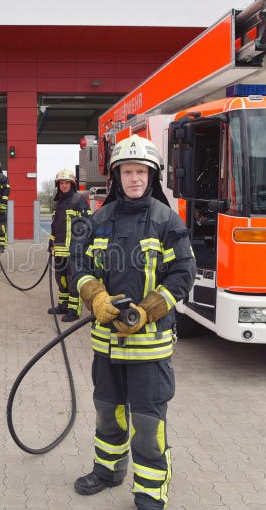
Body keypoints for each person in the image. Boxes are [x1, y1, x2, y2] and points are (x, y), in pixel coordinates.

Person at [70, 134, 196, 510]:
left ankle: (151, 490)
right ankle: (108, 471)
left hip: (149, 348)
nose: (134, 179)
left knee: (147, 423)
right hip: (105, 346)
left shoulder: (166, 221)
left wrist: (147, 309)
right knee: (108, 412)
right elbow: (78, 264)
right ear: (116, 176)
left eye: (141, 172)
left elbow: (183, 274)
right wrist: (94, 293)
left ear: (152, 176)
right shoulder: (98, 221)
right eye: (128, 172)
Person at [48, 168, 92, 322]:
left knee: (72, 280)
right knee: (61, 279)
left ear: (72, 184)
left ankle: (74, 311)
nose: (64, 185)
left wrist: (80, 246)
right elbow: (55, 225)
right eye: (61, 183)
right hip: (59, 248)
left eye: (67, 183)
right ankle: (63, 306)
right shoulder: (58, 202)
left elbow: (87, 224)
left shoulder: (78, 200)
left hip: (73, 250)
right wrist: (51, 242)